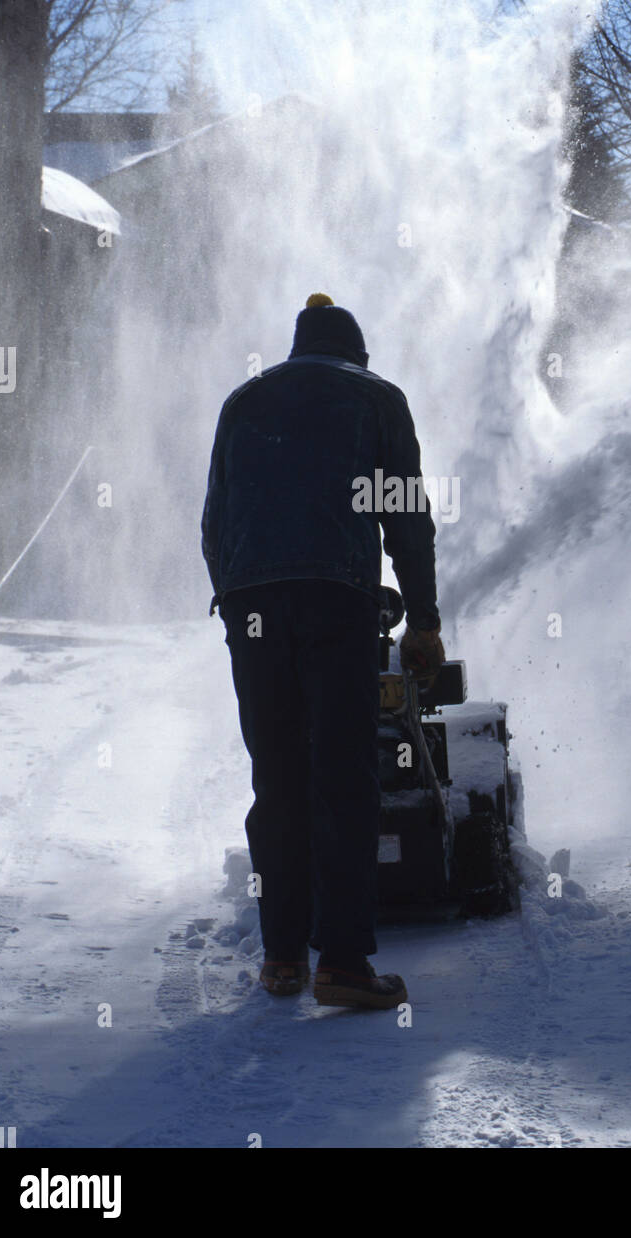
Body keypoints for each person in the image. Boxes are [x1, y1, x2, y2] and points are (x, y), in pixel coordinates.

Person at [201, 294, 445, 1009]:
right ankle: (341, 962)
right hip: (337, 601)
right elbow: (404, 518)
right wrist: (423, 620)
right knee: (342, 775)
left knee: (277, 778)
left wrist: (239, 601)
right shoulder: (375, 399)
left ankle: (280, 958)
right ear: (355, 355)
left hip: (250, 606)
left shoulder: (242, 402)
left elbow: (215, 521)